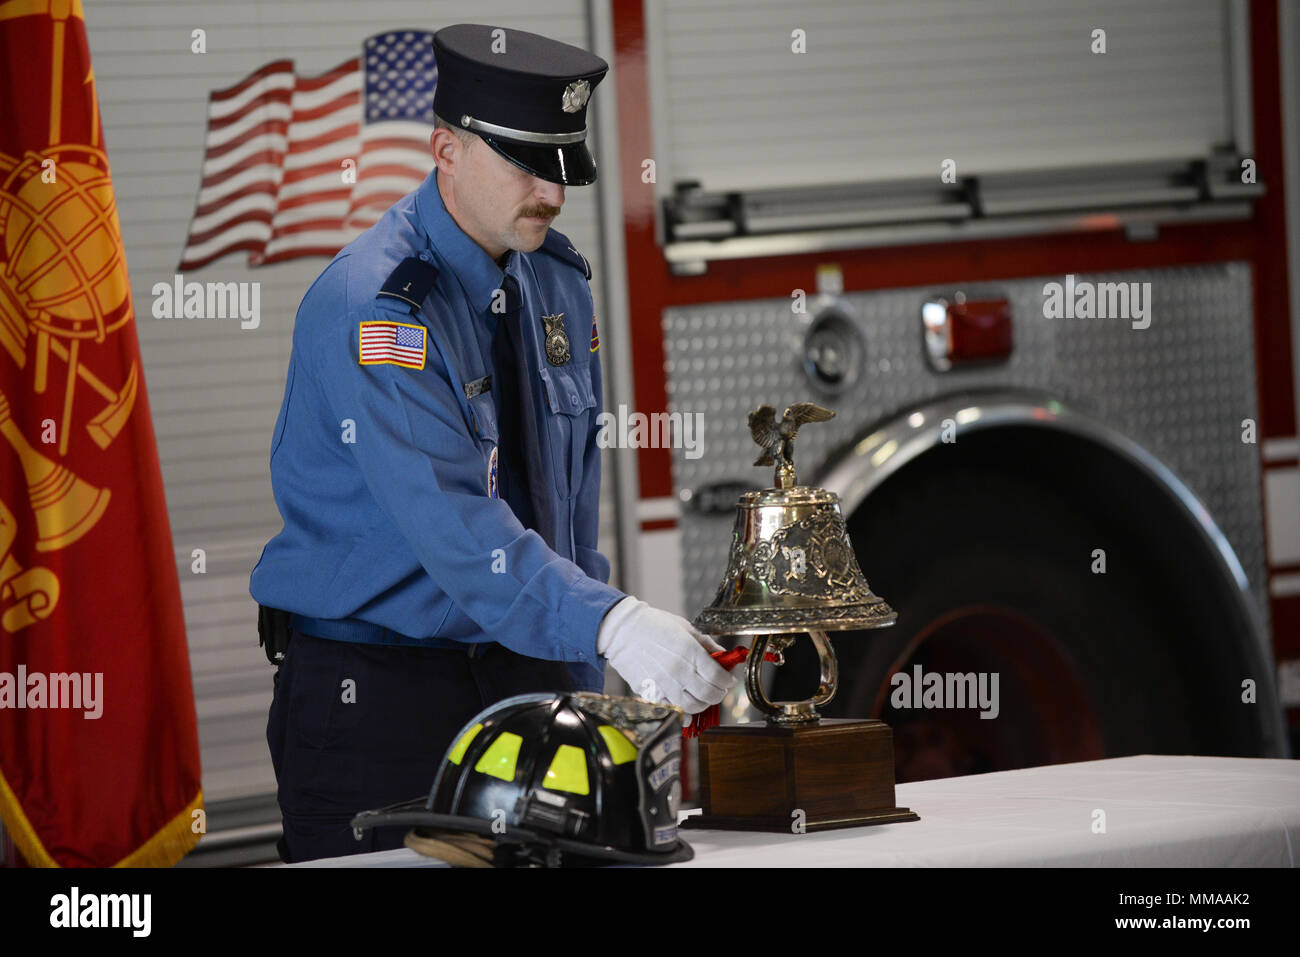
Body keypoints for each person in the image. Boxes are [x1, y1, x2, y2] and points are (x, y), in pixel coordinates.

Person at [249, 23, 734, 863]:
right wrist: (613, 623)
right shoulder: (381, 311)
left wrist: (586, 677)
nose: (549, 191)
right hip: (379, 692)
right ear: (445, 149)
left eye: (562, 168)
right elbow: (459, 531)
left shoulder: (556, 279)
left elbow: (568, 513)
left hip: (525, 669)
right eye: (524, 164)